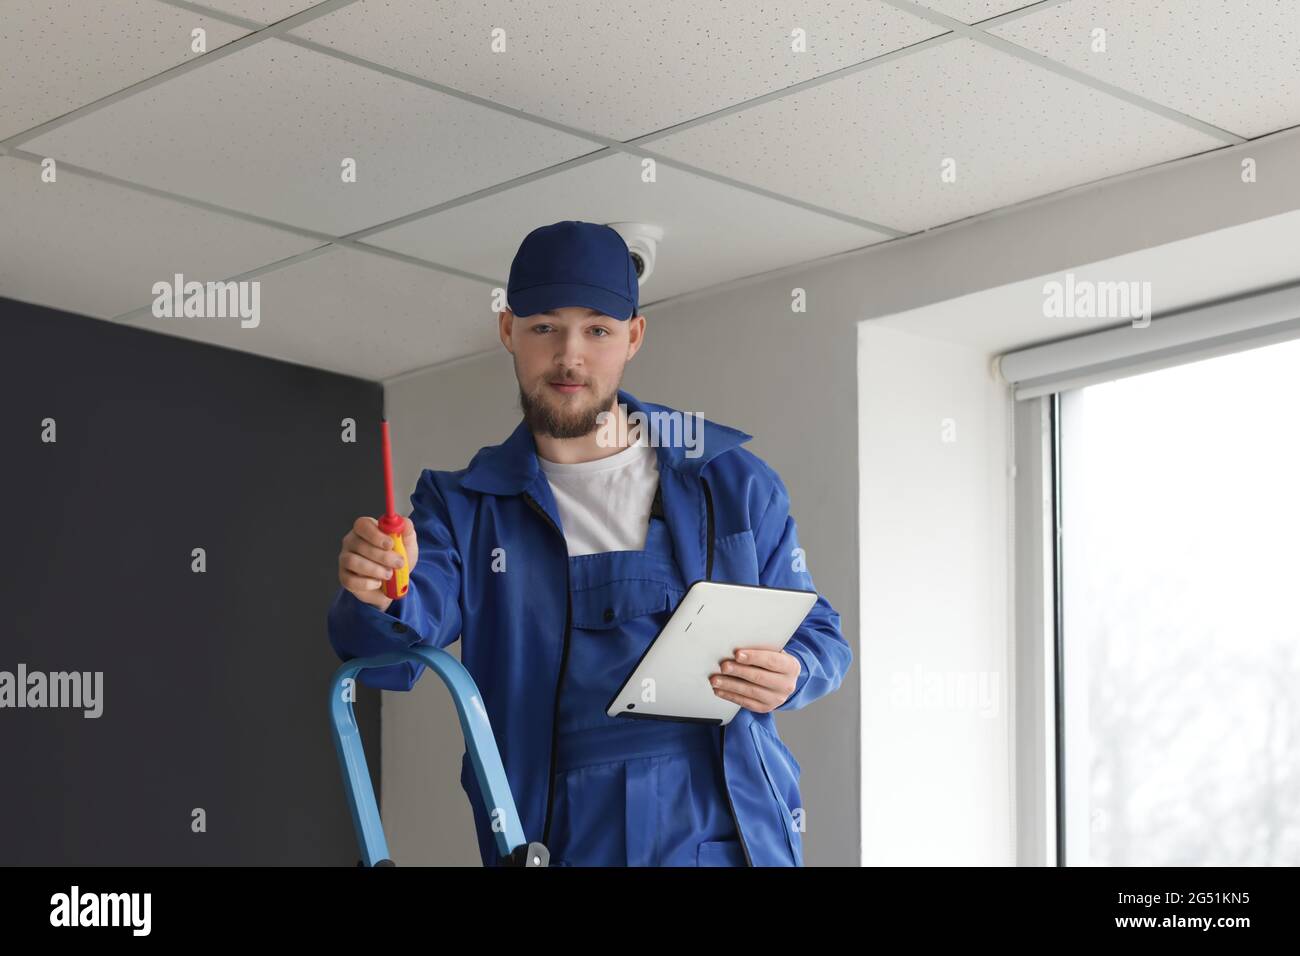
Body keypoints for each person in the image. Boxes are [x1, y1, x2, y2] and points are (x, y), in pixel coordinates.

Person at [328, 220, 851, 866]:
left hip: (727, 840)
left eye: (598, 330)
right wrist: (378, 588)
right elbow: (390, 649)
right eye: (545, 326)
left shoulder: (728, 482)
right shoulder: (465, 509)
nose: (569, 356)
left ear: (633, 337)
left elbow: (820, 632)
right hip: (559, 844)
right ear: (507, 330)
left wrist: (793, 672)